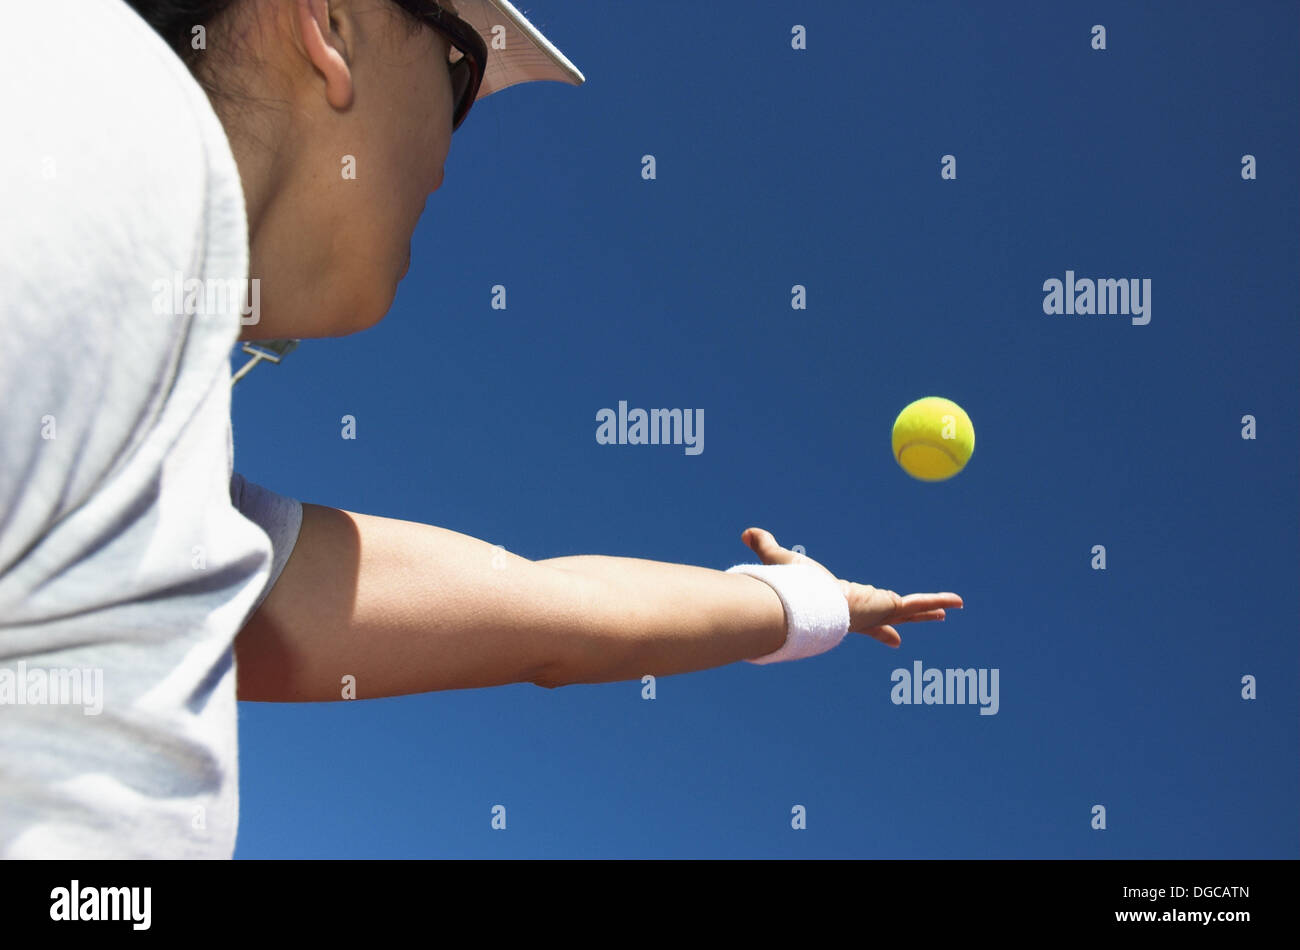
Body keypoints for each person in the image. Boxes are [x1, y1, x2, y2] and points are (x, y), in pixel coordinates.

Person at [0, 0, 963, 859]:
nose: (452, 155)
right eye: (461, 73)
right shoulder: (77, 116)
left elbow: (556, 618)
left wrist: (812, 603)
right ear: (331, 24)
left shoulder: (153, 475)